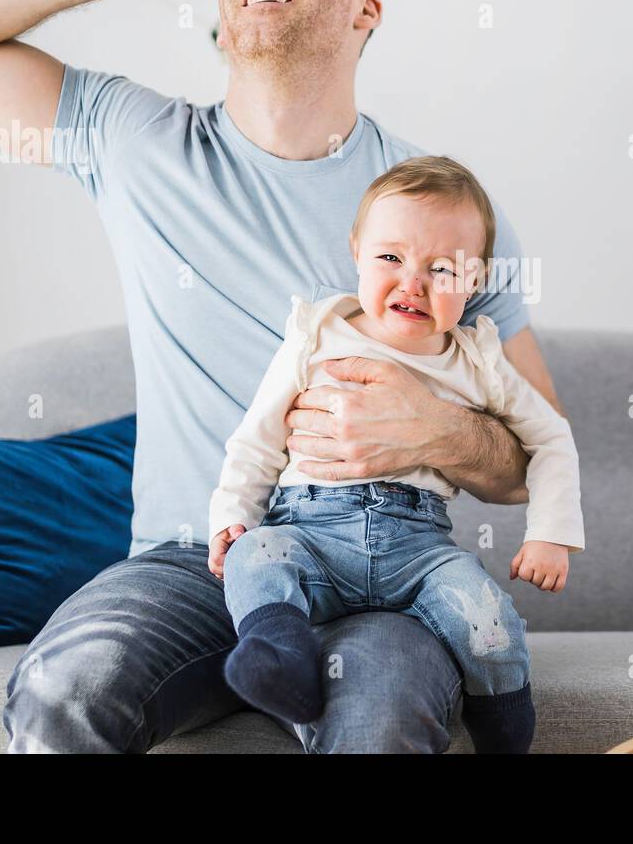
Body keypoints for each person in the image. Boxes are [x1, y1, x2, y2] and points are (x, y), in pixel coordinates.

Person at [0, 0, 568, 754]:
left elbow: (523, 463)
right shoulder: (135, 142)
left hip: (385, 585)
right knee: (65, 687)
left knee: (383, 718)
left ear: (365, 11)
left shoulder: (443, 215)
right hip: (190, 564)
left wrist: (438, 431)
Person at [208, 156, 585, 753]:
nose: (413, 282)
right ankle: (281, 660)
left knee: (486, 615)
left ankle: (505, 727)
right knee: (258, 553)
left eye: (442, 268)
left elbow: (551, 437)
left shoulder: (477, 362)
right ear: (356, 250)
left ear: (476, 280)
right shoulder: (316, 335)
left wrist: (550, 533)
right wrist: (231, 516)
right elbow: (256, 439)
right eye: (391, 258)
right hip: (311, 534)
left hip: (420, 552)